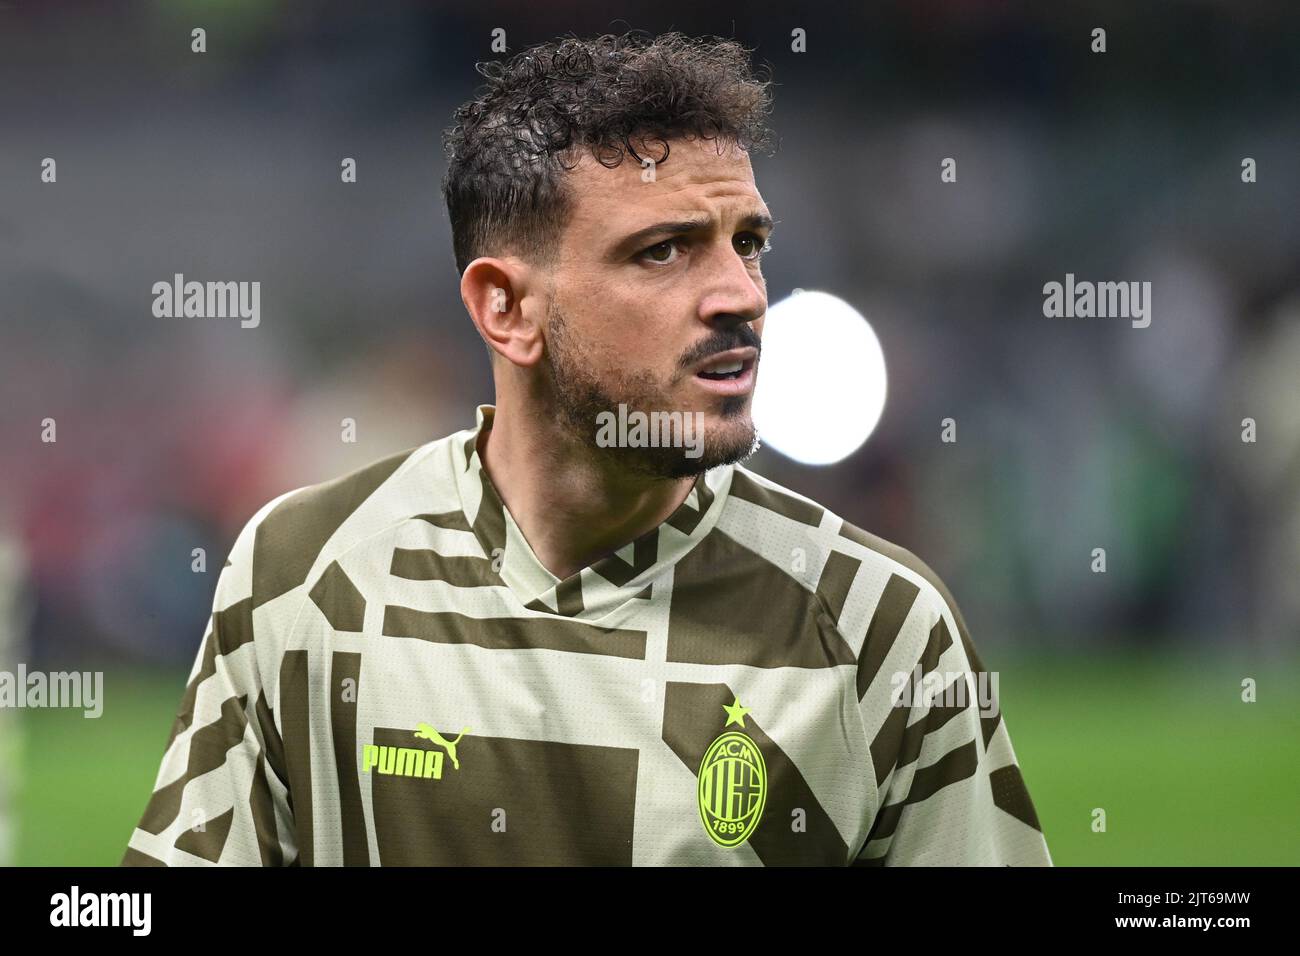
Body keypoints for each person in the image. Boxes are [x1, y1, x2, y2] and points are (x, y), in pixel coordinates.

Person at [122, 31, 1050, 866]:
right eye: (664, 251)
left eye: (749, 243)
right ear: (506, 308)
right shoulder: (303, 577)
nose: (742, 295)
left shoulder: (877, 626)